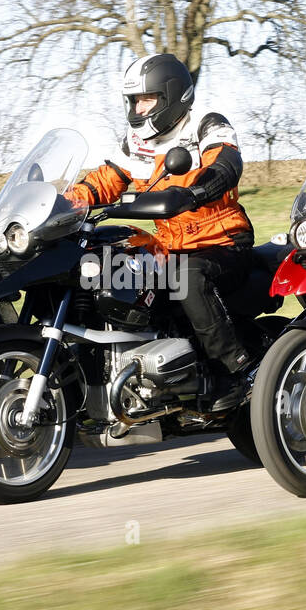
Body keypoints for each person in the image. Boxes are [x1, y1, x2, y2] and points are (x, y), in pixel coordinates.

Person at [67, 53, 256, 411]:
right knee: (103, 267)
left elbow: (226, 165)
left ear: (171, 96)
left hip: (223, 241)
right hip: (170, 246)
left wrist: (195, 191)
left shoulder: (206, 125)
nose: (139, 109)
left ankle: (235, 370)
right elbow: (108, 180)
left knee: (186, 275)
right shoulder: (136, 140)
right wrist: (66, 202)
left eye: (146, 99)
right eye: (134, 101)